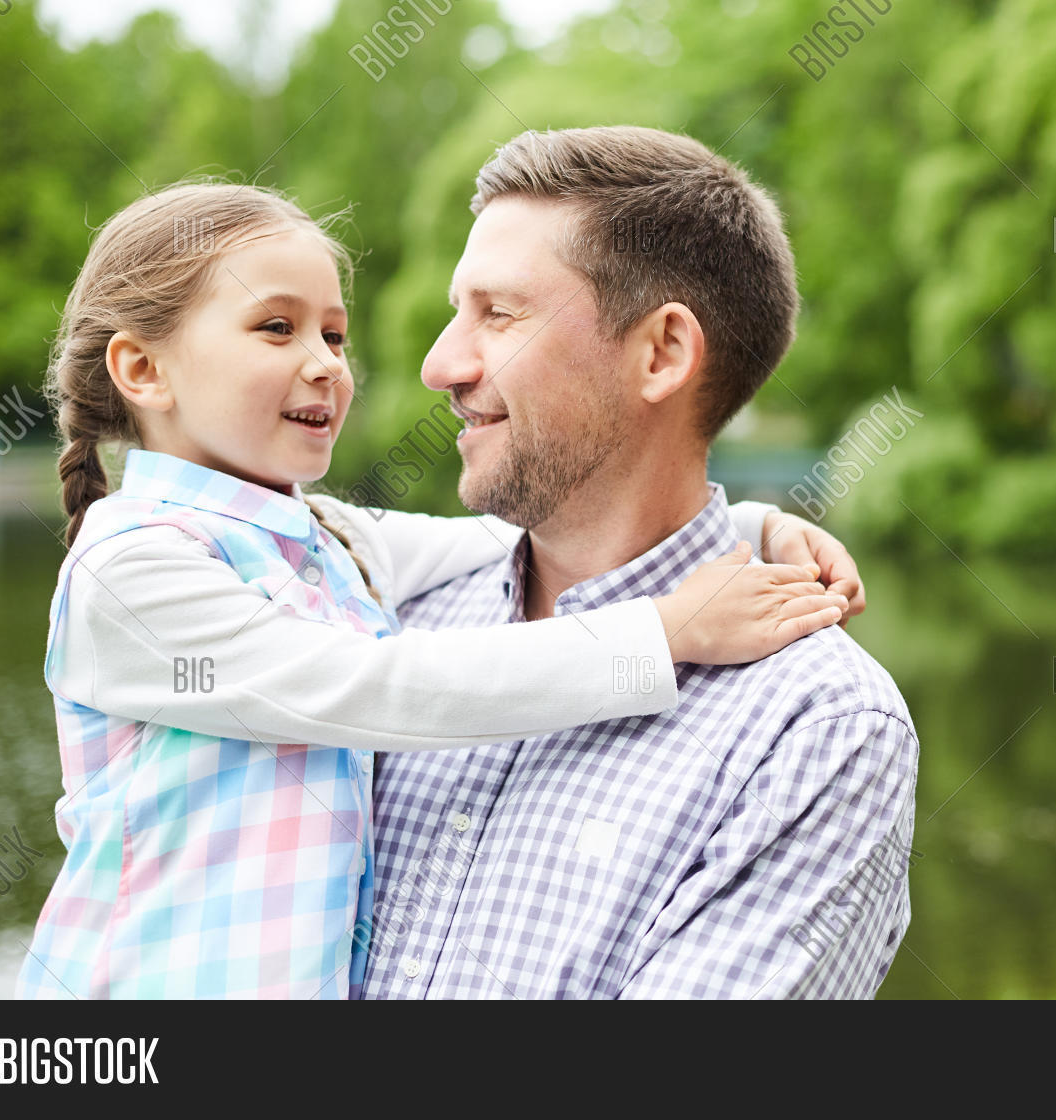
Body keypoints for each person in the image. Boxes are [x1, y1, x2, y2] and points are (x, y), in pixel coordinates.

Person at [16, 180, 857, 999]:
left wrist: (744, 527)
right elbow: (379, 687)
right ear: (143, 368)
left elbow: (538, 531)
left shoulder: (333, 539)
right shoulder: (132, 569)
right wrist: (662, 635)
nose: (325, 367)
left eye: (335, 337)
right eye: (278, 328)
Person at [358, 127, 918, 1000]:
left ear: (661, 353)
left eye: (498, 313)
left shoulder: (820, 730)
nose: (441, 365)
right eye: (456, 310)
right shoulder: (384, 617)